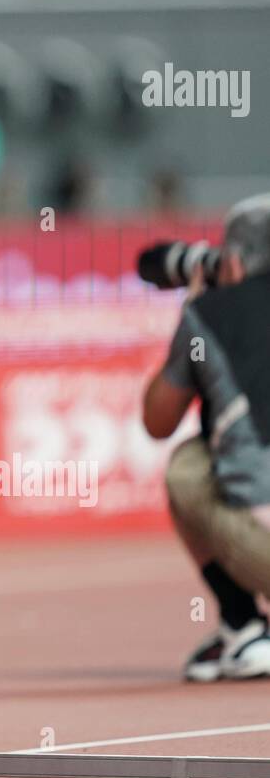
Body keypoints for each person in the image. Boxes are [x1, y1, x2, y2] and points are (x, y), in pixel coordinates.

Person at [142, 194, 270, 682]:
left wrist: (193, 309)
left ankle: (243, 626)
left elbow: (157, 422)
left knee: (189, 468)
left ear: (232, 260)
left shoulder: (212, 313)